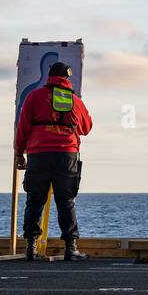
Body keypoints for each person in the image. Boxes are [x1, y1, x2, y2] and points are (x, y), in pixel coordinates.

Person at [14, 62, 94, 261]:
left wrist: (18, 153)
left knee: (35, 200)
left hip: (39, 154)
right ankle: (70, 247)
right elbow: (86, 128)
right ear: (67, 78)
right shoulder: (75, 100)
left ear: (48, 76)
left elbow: (23, 127)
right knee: (66, 200)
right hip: (66, 154)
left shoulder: (34, 97)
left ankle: (31, 247)